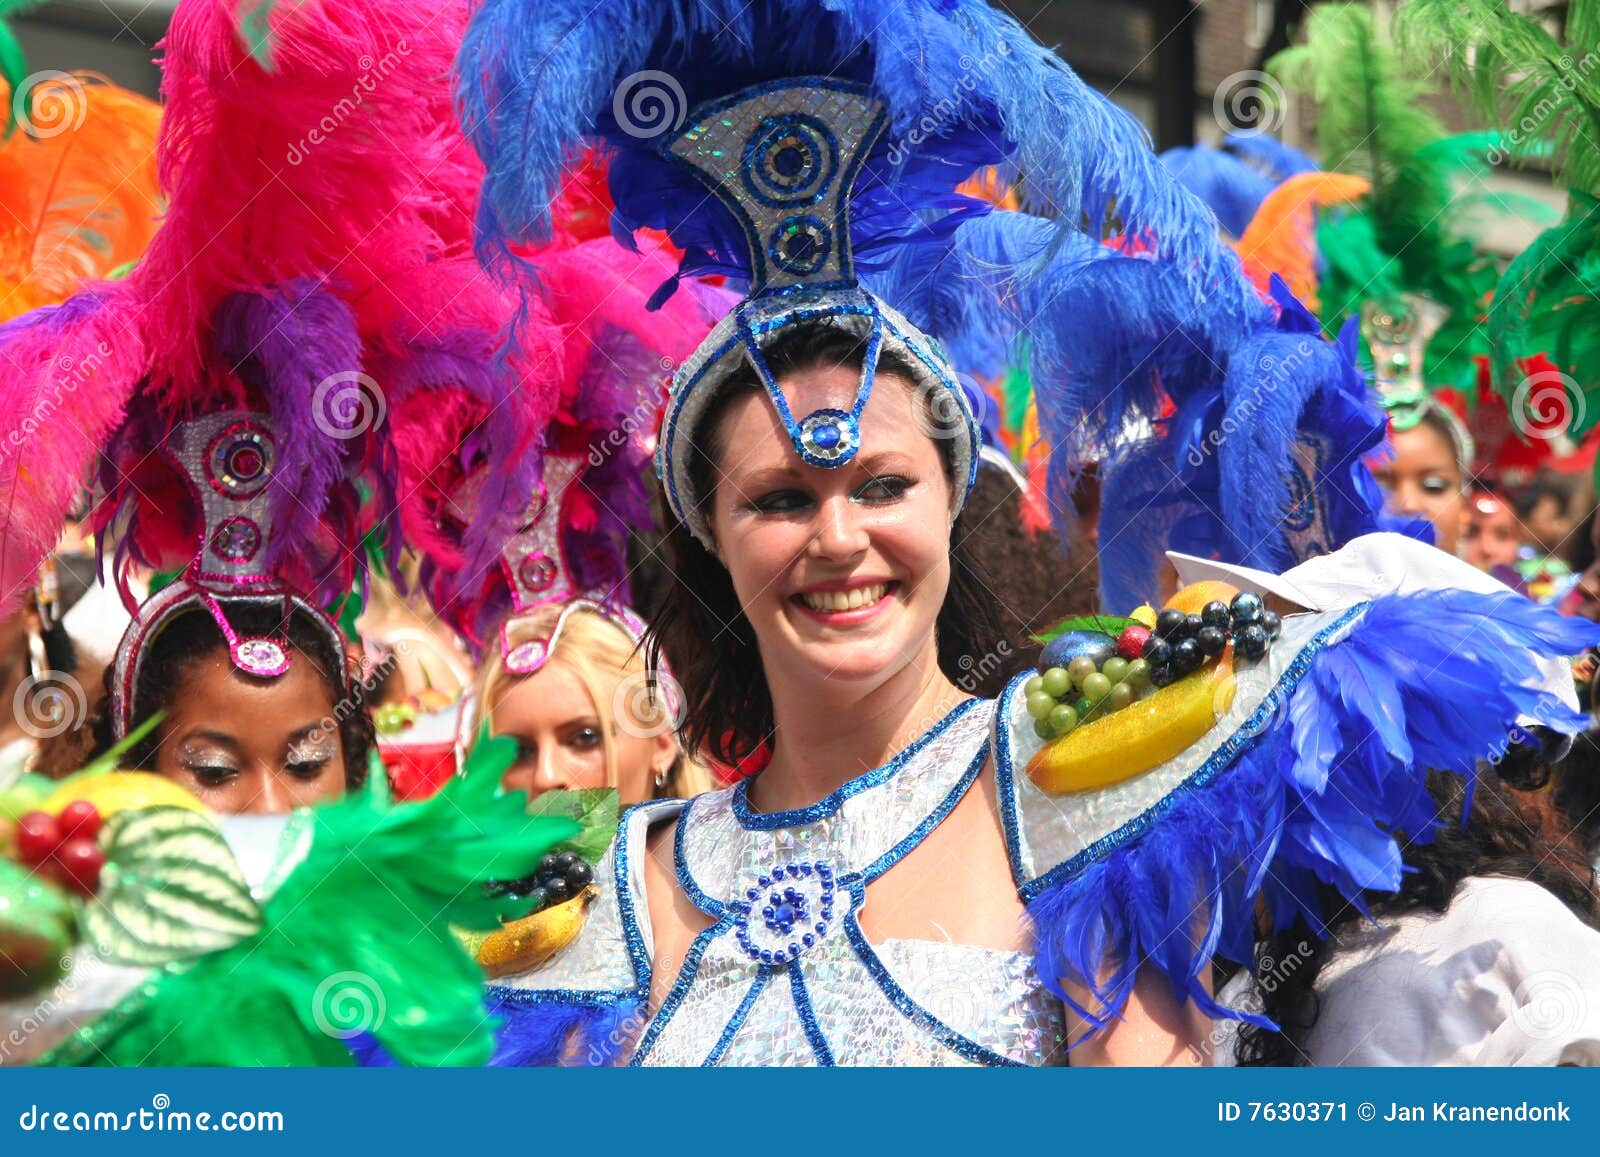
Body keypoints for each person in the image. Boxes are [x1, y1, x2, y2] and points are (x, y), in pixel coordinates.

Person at [460, 0, 1597, 1067]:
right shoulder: (609, 897)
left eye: (882, 484)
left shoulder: (1090, 802)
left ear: (950, 505)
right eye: (780, 498)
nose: (839, 535)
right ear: (709, 531)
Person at [473, 602, 708, 802]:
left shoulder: (734, 853)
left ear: (661, 745)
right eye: (518, 752)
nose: (546, 777)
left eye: (585, 738)